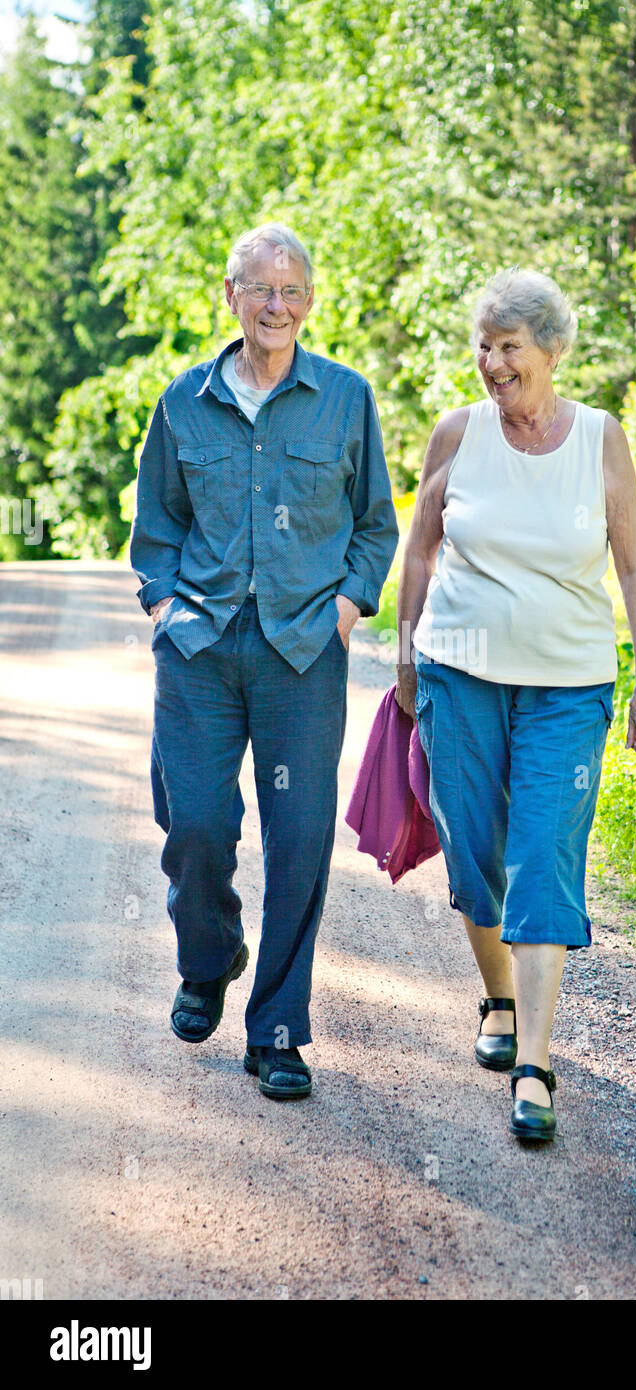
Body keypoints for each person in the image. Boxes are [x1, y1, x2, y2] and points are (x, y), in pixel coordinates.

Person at [395, 267, 636, 1141]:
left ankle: (536, 1065)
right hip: (458, 676)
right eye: (484, 345)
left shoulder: (599, 439)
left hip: (567, 686)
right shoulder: (458, 434)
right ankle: (498, 998)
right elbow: (422, 547)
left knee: (543, 854)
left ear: (551, 351)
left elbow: (632, 563)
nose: (493, 363)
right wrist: (405, 652)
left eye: (510, 347)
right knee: (474, 852)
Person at [131, 223, 398, 1101]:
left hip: (302, 654)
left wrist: (351, 605)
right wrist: (168, 607)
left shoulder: (346, 399)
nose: (276, 306)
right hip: (202, 650)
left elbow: (375, 525)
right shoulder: (182, 401)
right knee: (198, 825)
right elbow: (156, 529)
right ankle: (208, 960)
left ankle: (278, 1030)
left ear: (309, 300)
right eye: (260, 290)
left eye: (291, 291)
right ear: (231, 294)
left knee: (300, 843)